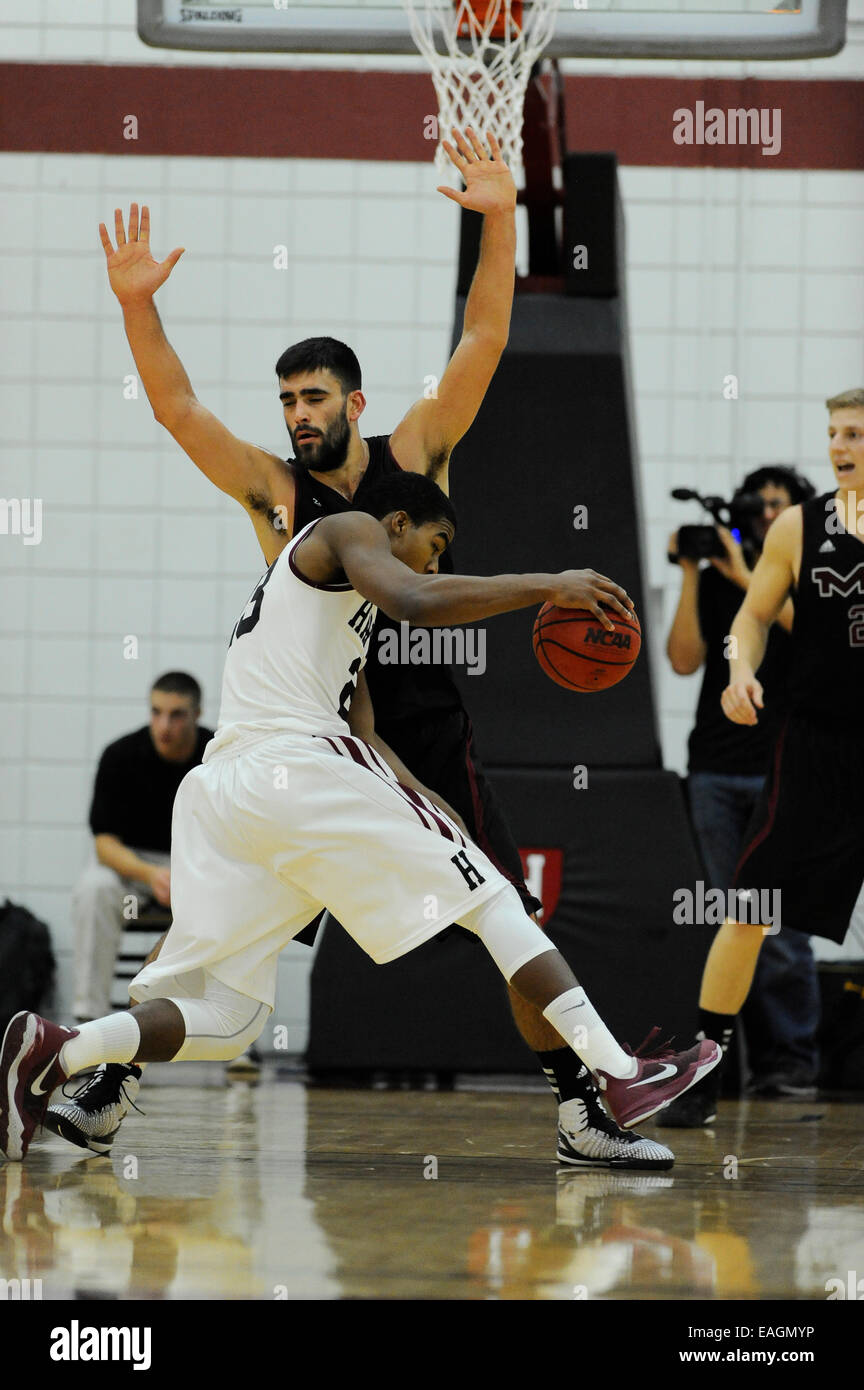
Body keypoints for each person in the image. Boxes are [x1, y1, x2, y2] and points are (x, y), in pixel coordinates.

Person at [51, 128, 676, 1170]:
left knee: (501, 906)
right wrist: (136, 302)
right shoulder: (276, 494)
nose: (298, 416)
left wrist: (500, 216)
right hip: (316, 728)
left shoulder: (415, 454)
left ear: (355, 404)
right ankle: (109, 1082)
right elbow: (175, 407)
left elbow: (483, 340)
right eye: (288, 401)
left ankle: (580, 1107)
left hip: (418, 712)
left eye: (314, 399)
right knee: (214, 927)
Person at [0, 474, 721, 1163]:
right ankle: (618, 1072)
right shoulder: (348, 528)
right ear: (397, 524)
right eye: (434, 543)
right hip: (298, 772)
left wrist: (428, 802)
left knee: (230, 1018)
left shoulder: (321, 608)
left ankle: (59, 1050)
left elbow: (364, 729)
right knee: (496, 893)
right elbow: (413, 596)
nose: (435, 561)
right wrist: (548, 585)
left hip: (225, 796)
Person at [661, 389, 864, 1126]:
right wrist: (741, 669)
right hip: (812, 742)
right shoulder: (796, 529)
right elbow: (749, 617)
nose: (841, 446)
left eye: (856, 434)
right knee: (748, 910)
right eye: (835, 433)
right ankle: (705, 1075)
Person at [665, 466, 821, 1102]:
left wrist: (741, 575)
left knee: (777, 924)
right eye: (757, 506)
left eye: (778, 507)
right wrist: (690, 573)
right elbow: (682, 658)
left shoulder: (805, 572)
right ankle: (723, 1066)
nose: (764, 518)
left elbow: (809, 632)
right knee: (731, 920)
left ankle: (792, 1062)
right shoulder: (718, 571)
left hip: (781, 764)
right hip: (714, 767)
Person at [71, 672, 211, 1023]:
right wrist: (151, 874)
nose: (164, 725)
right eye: (156, 712)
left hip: (200, 867)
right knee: (94, 888)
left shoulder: (218, 757)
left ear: (197, 714)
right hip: (134, 869)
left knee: (246, 897)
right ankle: (89, 1022)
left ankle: (237, 1039)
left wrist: (188, 875)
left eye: (176, 714)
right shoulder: (120, 755)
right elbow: (104, 845)